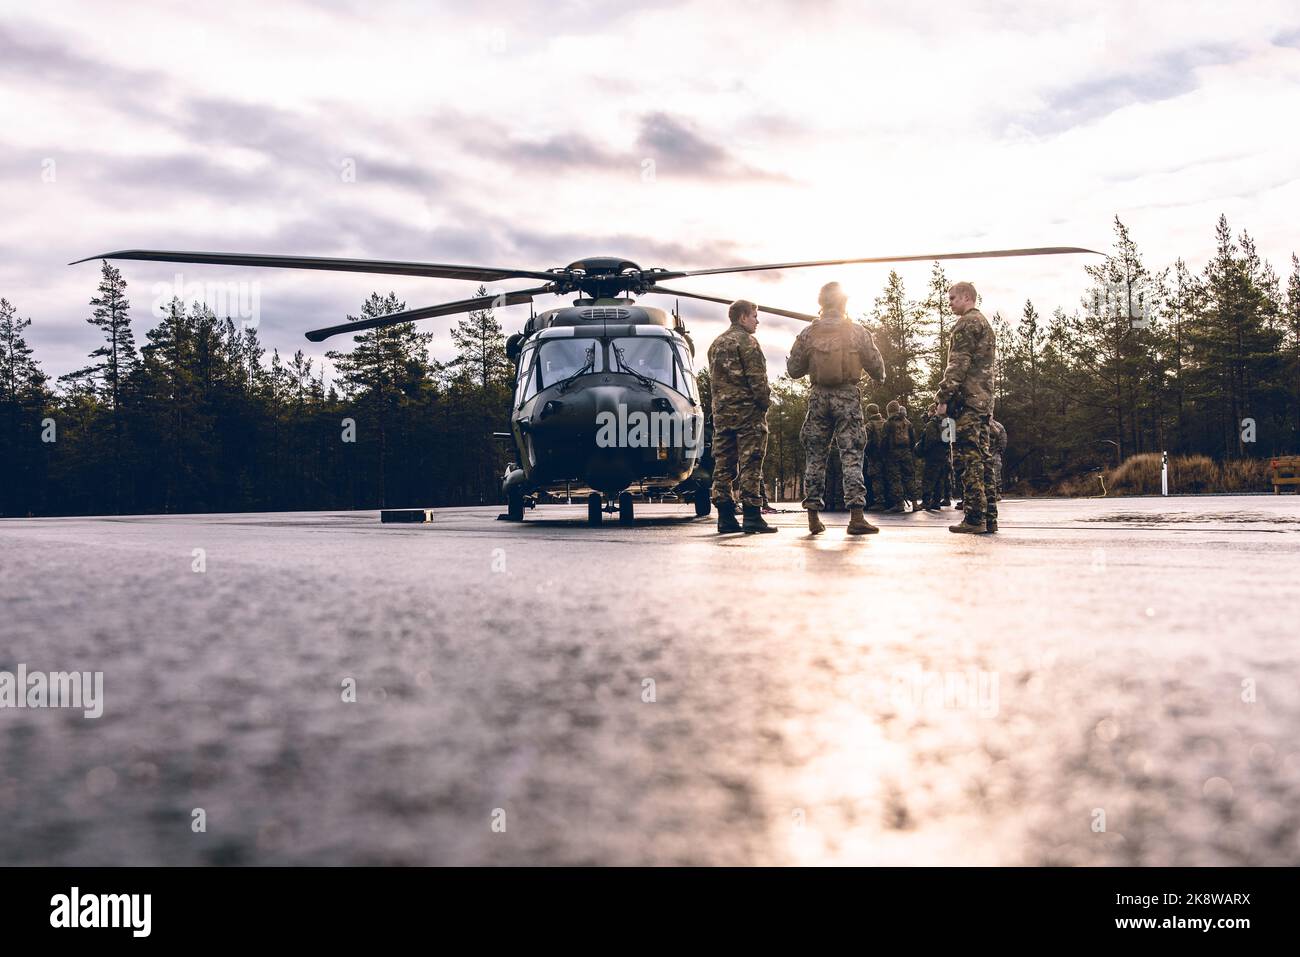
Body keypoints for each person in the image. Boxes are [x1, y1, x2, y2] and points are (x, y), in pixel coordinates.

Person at [787, 282, 886, 535]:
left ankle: (812, 518)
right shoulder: (857, 332)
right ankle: (856, 517)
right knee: (852, 455)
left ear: (821, 303)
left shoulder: (808, 333)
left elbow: (793, 370)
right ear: (844, 303)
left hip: (818, 398)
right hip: (847, 398)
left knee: (815, 457)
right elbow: (877, 368)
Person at [708, 299, 776, 533]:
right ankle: (752, 515)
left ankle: (725, 517)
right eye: (755, 315)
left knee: (723, 464)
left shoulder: (716, 344)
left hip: (722, 415)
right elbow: (758, 380)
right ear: (743, 317)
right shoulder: (748, 342)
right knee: (751, 463)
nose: (757, 320)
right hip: (748, 415)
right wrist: (764, 403)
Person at [934, 281, 997, 534]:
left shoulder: (966, 323)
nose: (949, 303)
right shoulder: (984, 324)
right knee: (983, 460)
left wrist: (943, 397)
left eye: (952, 298)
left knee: (968, 460)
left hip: (968, 403)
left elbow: (958, 363)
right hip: (983, 401)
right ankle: (989, 517)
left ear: (966, 297)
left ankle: (973, 518)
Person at [882, 399, 917, 513]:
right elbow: (913, 439)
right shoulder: (908, 422)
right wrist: (910, 451)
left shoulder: (888, 423)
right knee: (910, 477)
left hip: (892, 454)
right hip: (906, 452)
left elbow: (884, 440)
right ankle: (915, 503)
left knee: (895, 478)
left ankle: (899, 504)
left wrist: (884, 454)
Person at [916, 403, 950, 511]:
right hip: (944, 454)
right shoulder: (950, 422)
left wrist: (922, 451)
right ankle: (936, 501)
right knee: (940, 479)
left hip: (932, 455)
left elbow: (929, 441)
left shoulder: (932, 423)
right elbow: (950, 440)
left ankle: (926, 501)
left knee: (928, 479)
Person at [863, 403, 888, 510]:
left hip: (874, 456)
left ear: (868, 413)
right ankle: (890, 501)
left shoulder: (869, 425)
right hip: (888, 456)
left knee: (876, 479)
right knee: (888, 477)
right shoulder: (886, 422)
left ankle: (879, 502)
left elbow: (864, 441)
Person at [988, 417, 1007, 513]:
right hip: (984, 452)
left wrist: (999, 451)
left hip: (994, 452)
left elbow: (1003, 439)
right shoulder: (980, 424)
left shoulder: (997, 426)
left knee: (996, 473)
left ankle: (998, 492)